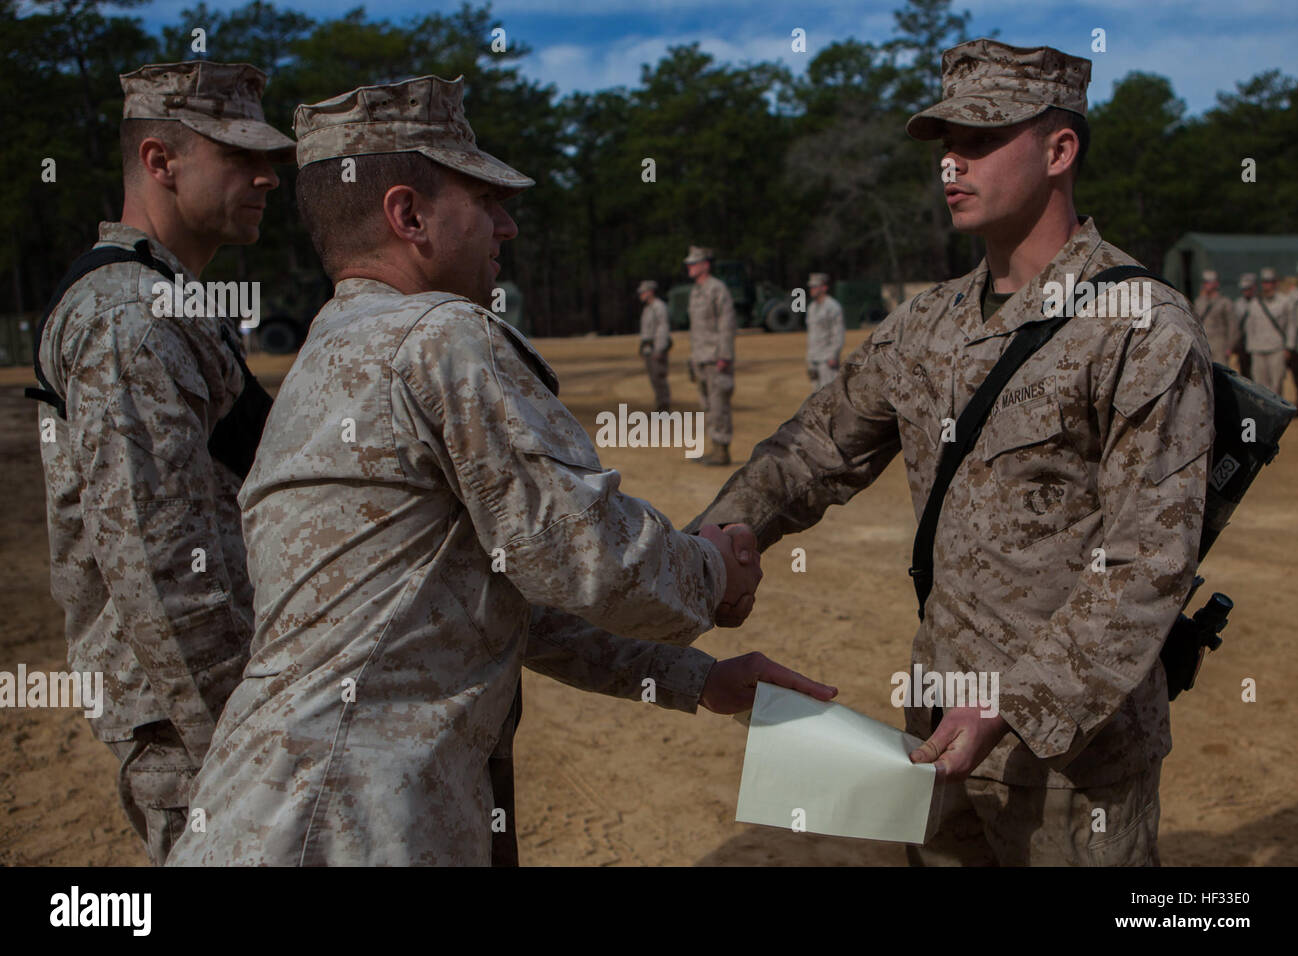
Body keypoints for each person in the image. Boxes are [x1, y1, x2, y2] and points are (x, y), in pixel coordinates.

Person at [169, 75, 831, 867]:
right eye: (485, 201)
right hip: (351, 826)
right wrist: (713, 568)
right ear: (408, 215)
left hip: (284, 812)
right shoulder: (444, 338)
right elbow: (592, 560)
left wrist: (697, 681)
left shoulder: (332, 352)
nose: (508, 226)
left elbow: (502, 597)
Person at [689, 39, 1213, 866]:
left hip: (1072, 764)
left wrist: (1013, 702)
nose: (951, 165)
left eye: (980, 140)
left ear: (1059, 149)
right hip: (936, 735)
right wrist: (706, 550)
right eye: (944, 145)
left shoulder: (1140, 326)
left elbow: (1149, 560)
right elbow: (810, 454)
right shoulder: (927, 325)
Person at [29, 61, 294, 865]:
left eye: (270, 159)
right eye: (238, 157)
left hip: (210, 704)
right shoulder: (128, 319)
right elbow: (157, 567)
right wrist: (246, 749)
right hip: (194, 719)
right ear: (159, 161)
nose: (265, 178)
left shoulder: (168, 299)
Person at [685, 246, 736, 466]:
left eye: (693, 263)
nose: (689, 267)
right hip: (701, 357)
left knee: (719, 404)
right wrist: (693, 358)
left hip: (716, 358)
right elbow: (696, 329)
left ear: (705, 265)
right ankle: (715, 447)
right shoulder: (696, 291)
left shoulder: (718, 289)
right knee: (707, 405)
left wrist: (725, 354)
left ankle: (722, 450)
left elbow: (726, 324)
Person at [1242, 267, 1296, 395]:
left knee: (1276, 385)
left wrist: (1289, 346)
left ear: (1275, 283)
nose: (1267, 285)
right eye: (1265, 282)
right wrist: (1250, 348)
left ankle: (1276, 414)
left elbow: (1291, 325)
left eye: (1270, 282)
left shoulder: (1284, 301)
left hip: (1276, 348)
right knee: (1260, 387)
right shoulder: (1255, 303)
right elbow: (1250, 327)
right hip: (1257, 349)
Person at [805, 272, 845, 390]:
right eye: (811, 287)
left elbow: (838, 333)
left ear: (824, 287)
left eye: (815, 286)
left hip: (827, 360)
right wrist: (809, 358)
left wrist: (833, 355)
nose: (811, 289)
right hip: (813, 358)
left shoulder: (833, 307)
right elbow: (811, 335)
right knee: (815, 396)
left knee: (829, 395)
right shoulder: (811, 307)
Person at [637, 279, 672, 411]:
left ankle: (664, 407)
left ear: (650, 292)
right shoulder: (647, 309)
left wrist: (660, 348)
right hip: (648, 349)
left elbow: (663, 328)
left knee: (659, 378)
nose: (641, 295)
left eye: (643, 292)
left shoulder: (659, 307)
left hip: (656, 348)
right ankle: (659, 406)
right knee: (654, 380)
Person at [1192, 269, 1239, 365]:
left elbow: (1232, 326)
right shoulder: (1198, 302)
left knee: (1220, 373)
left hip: (1219, 343)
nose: (1206, 285)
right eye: (1205, 282)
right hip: (1203, 342)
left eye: (1209, 282)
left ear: (1216, 284)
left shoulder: (1225, 302)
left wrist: (1230, 346)